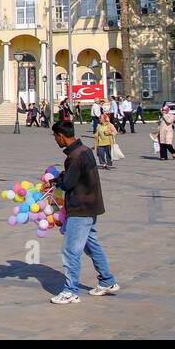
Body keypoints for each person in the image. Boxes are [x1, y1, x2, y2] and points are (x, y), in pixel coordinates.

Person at [49, 121, 118, 304]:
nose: (56, 141)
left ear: (61, 136)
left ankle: (70, 291)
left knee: (70, 250)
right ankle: (107, 281)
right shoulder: (85, 150)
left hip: (80, 208)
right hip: (92, 205)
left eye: (56, 137)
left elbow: (69, 184)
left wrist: (57, 181)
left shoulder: (74, 156)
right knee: (91, 245)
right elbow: (75, 176)